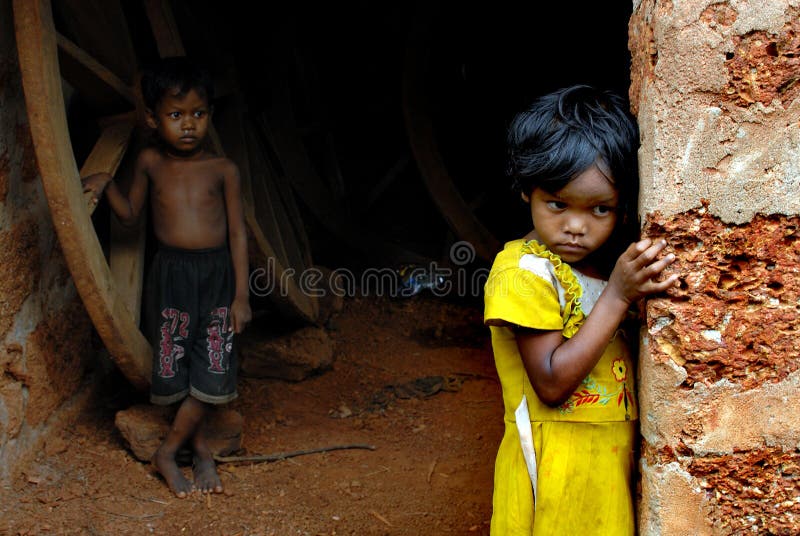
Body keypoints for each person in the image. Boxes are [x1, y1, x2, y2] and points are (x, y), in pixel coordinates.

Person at [483, 85, 679, 534]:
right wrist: (617, 296)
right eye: (557, 203)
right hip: (552, 466)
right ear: (525, 191)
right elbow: (551, 382)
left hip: (607, 462)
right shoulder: (522, 273)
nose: (575, 226)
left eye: (600, 209)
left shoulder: (595, 269)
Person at [82, 57, 252, 498]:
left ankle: (170, 450)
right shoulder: (151, 162)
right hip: (171, 275)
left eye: (198, 113)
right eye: (176, 115)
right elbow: (130, 216)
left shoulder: (223, 170)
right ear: (153, 119)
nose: (189, 125)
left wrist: (240, 295)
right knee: (174, 364)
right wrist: (105, 184)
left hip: (216, 274)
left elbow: (237, 233)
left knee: (213, 363)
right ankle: (200, 453)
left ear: (209, 116)